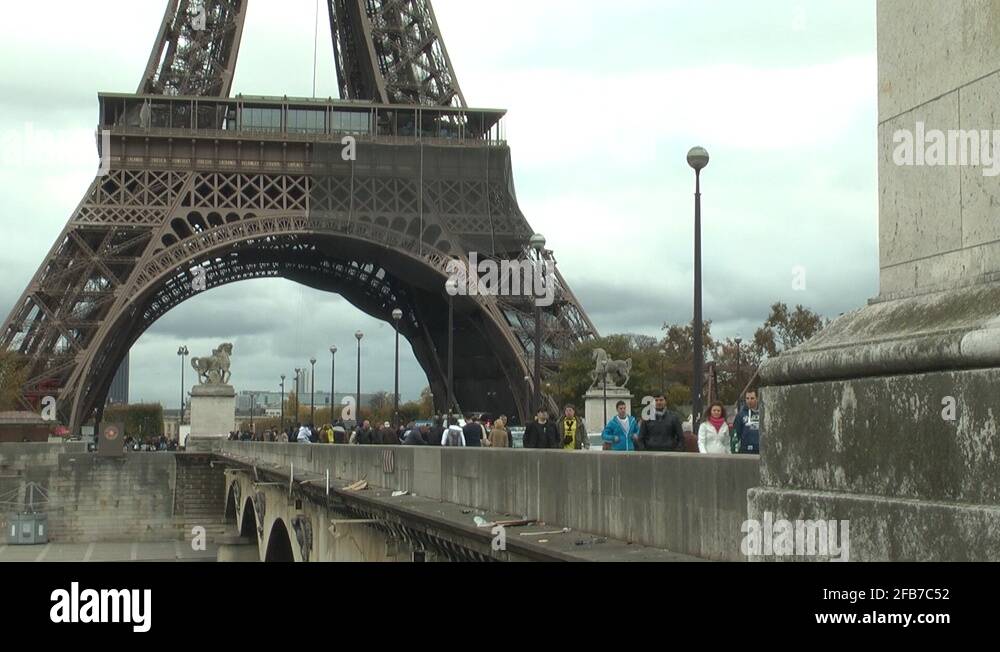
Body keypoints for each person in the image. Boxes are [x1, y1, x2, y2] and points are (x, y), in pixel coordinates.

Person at [733, 390, 762, 454]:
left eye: (752, 398)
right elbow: (736, 434)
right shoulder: (740, 415)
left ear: (757, 398)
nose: (749, 401)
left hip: (761, 450)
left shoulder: (763, 413)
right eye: (747, 398)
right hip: (746, 450)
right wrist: (735, 450)